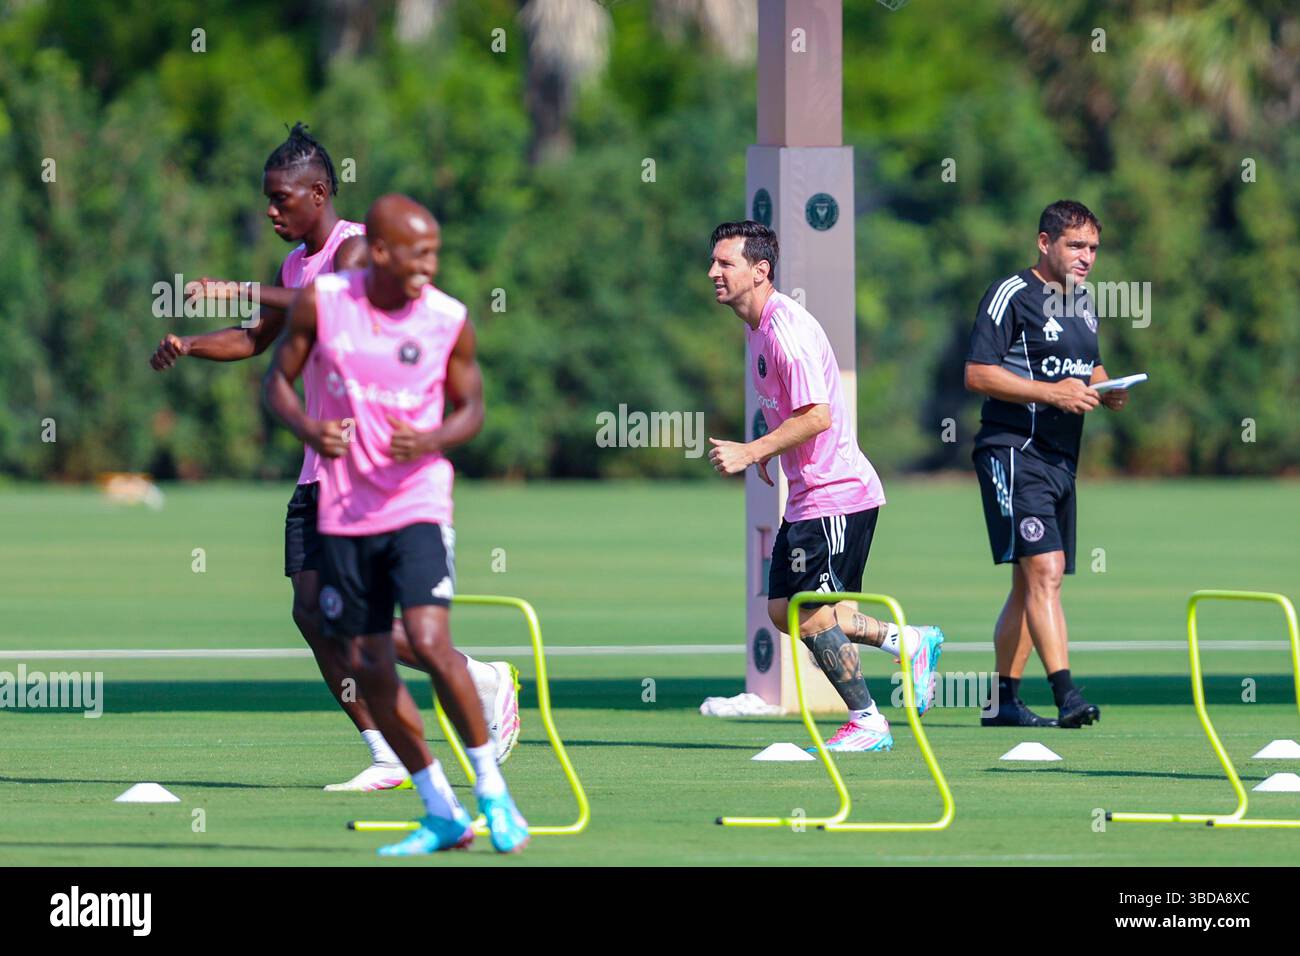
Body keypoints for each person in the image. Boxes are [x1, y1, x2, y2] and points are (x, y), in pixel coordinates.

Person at [149, 124, 519, 789]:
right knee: (311, 614)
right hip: (318, 470)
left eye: (281, 199)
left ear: (319, 194)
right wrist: (191, 345)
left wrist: (236, 285)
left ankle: (475, 676)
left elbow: (325, 306)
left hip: (369, 472)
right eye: (267, 199)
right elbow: (259, 339)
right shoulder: (295, 265)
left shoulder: (355, 253)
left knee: (354, 621)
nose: (271, 210)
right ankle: (383, 752)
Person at [265, 193, 528, 854]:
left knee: (430, 639)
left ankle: (491, 789)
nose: (429, 266)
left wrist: (435, 436)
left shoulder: (448, 318)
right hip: (346, 507)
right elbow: (276, 381)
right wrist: (308, 426)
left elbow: (473, 408)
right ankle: (439, 806)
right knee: (367, 657)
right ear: (380, 254)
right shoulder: (324, 303)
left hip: (417, 500)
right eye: (419, 254)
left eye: (435, 253)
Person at [706, 220, 944, 751]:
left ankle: (867, 721)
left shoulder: (785, 332)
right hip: (810, 495)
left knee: (809, 612)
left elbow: (817, 417)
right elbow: (792, 411)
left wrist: (753, 451)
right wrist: (772, 444)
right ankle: (908, 641)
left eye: (726, 263)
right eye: (714, 261)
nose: (713, 272)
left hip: (837, 494)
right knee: (783, 609)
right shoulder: (758, 327)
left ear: (760, 271)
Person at [964, 199, 1129, 729]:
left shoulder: (1083, 303)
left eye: (1093, 248)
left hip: (1061, 461)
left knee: (1028, 583)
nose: (1086, 258)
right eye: (1075, 245)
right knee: (1045, 571)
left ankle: (1004, 701)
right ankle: (1067, 694)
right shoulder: (1011, 294)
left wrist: (1108, 387)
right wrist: (1050, 394)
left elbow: (1087, 365)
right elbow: (978, 374)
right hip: (1013, 451)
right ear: (1044, 243)